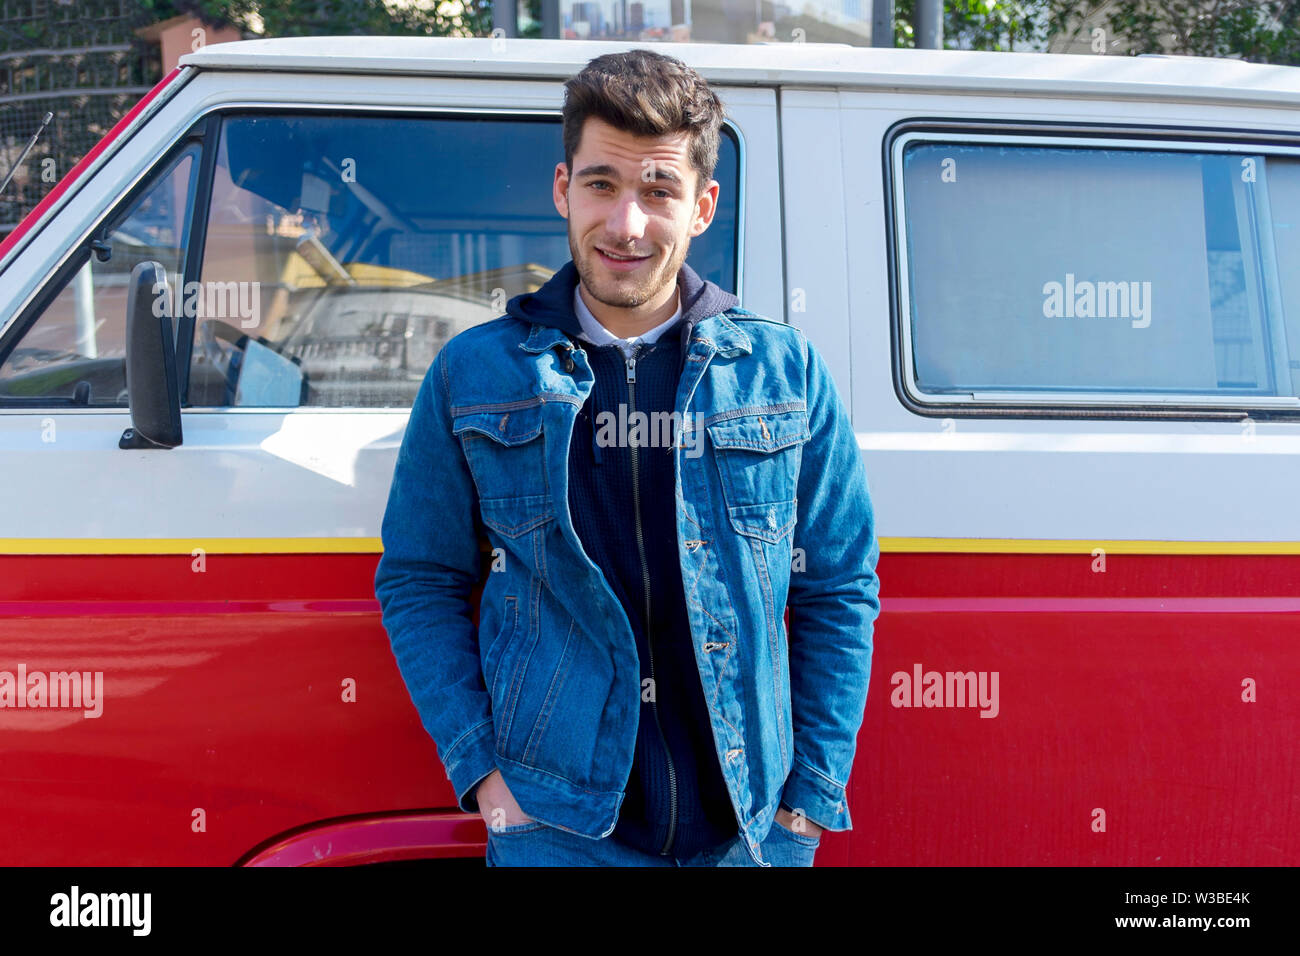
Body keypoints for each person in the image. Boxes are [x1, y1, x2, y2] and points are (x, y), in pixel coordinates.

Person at [374, 47, 880, 867]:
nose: (626, 225)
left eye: (658, 191)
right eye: (602, 185)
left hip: (749, 834)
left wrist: (809, 802)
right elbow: (419, 579)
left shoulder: (784, 374)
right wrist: (485, 778)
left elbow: (839, 586)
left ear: (702, 206)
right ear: (562, 188)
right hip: (554, 829)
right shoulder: (475, 374)